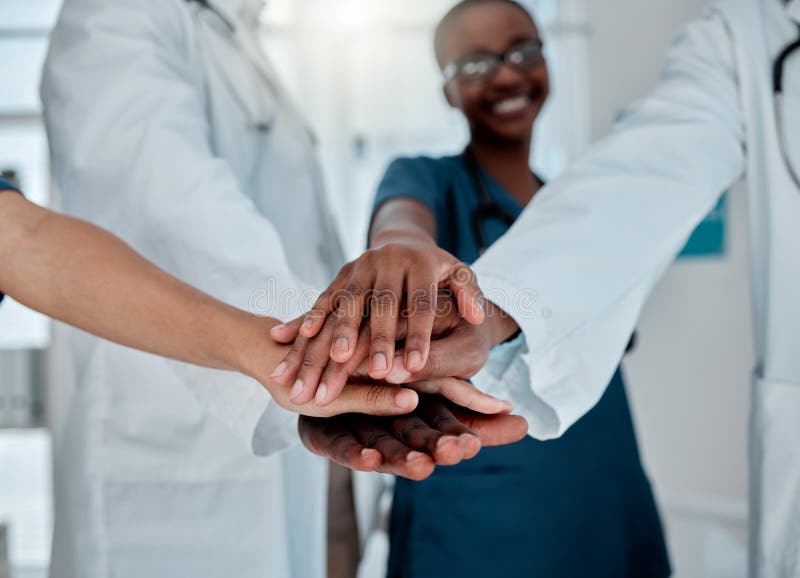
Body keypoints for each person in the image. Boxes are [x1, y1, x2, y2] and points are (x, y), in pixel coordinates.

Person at [289, 0, 800, 575]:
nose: (507, 73)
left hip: (603, 484)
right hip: (476, 502)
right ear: (447, 92)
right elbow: (402, 220)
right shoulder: (427, 178)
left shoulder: (579, 207)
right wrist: (401, 248)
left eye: (523, 50)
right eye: (476, 64)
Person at [39, 1, 523, 577]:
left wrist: (347, 356)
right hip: (199, 449)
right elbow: (168, 211)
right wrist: (347, 352)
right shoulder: (119, 16)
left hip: (313, 412)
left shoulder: (237, 40)